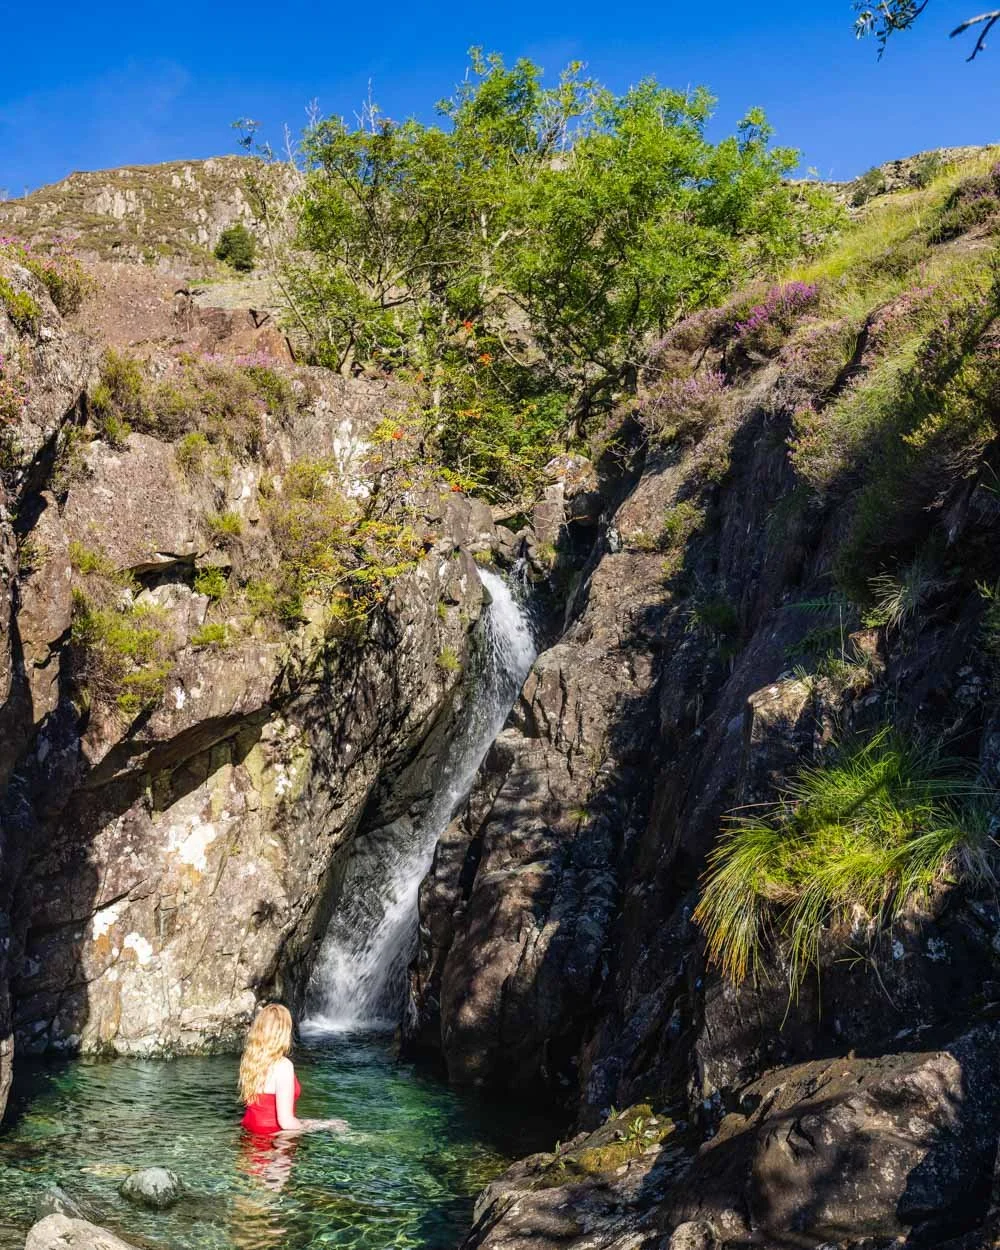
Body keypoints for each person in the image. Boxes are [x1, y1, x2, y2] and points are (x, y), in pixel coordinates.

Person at [238, 1002, 348, 1136]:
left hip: (249, 1133)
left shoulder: (252, 1062)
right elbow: (286, 1122)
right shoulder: (283, 1066)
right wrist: (316, 1129)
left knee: (332, 1123)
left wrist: (322, 1124)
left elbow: (264, 1111)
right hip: (273, 1140)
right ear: (283, 1033)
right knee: (343, 1130)